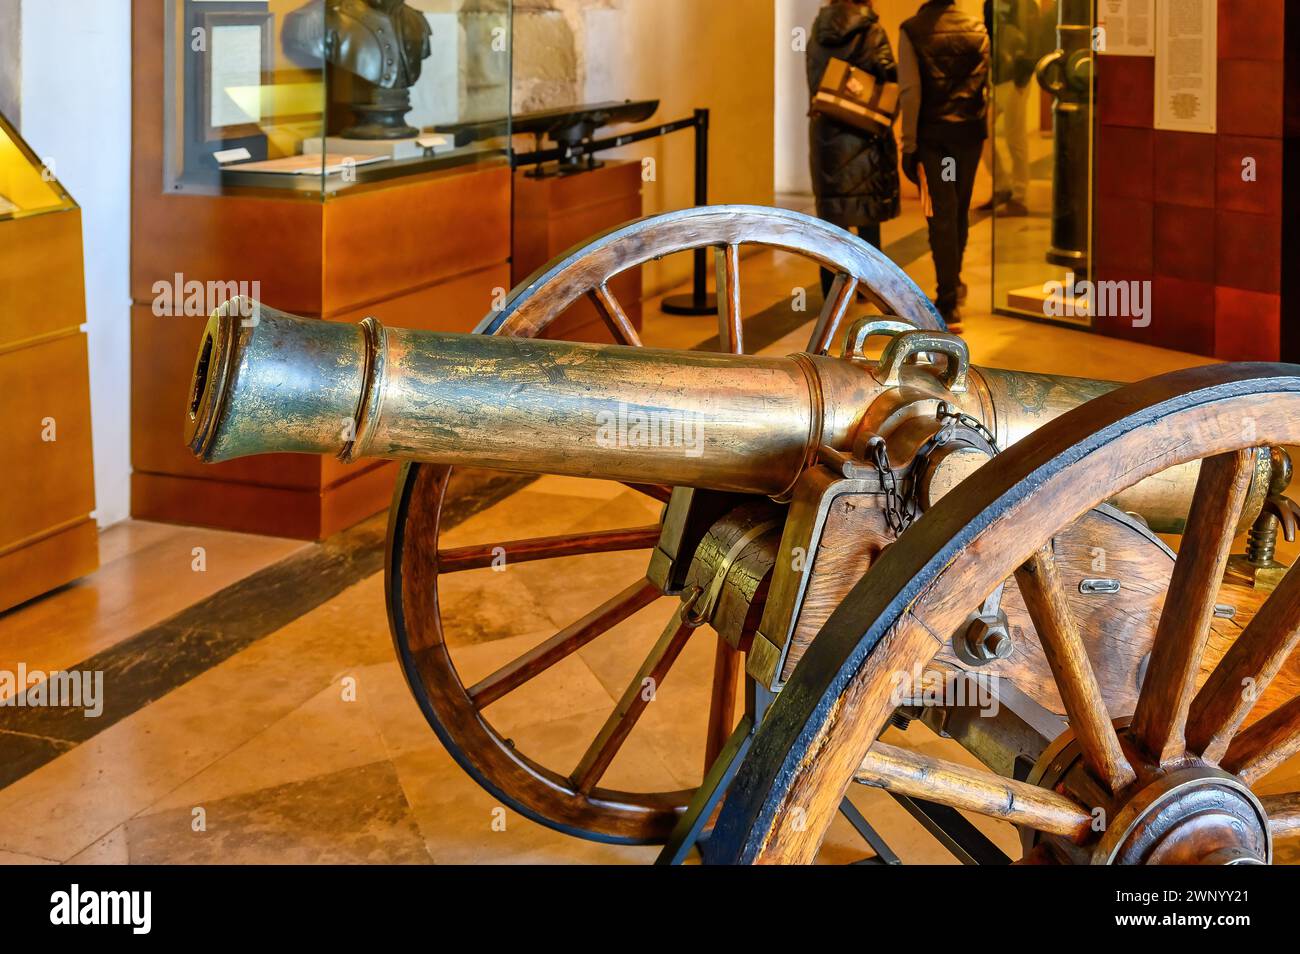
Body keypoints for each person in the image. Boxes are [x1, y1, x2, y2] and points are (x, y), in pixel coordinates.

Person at [898, 0, 990, 332]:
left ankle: (947, 300)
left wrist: (908, 145)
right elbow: (983, 87)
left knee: (941, 213)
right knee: (959, 209)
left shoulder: (912, 30)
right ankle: (954, 281)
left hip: (935, 138)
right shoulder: (977, 29)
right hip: (968, 135)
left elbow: (910, 93)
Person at [806, 0, 901, 300]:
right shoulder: (872, 31)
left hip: (826, 136)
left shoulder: (817, 32)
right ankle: (868, 292)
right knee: (867, 219)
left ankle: (832, 296)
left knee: (832, 223)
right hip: (864, 135)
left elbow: (815, 81)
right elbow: (889, 80)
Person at [978, 0, 1035, 215]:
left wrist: (1023, 77)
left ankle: (1020, 196)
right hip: (996, 77)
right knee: (983, 133)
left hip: (1015, 79)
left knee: (1015, 138)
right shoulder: (990, 3)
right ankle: (1002, 186)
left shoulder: (1024, 4)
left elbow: (1032, 39)